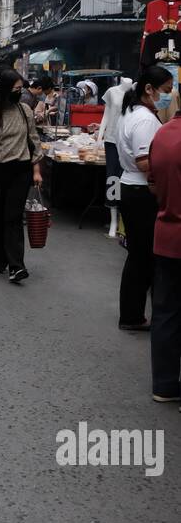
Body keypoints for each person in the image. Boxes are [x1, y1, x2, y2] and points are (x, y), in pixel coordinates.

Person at [0, 69, 44, 282]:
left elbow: (34, 140)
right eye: (16, 89)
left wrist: (37, 170)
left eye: (21, 89)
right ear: (4, 89)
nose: (20, 93)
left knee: (12, 217)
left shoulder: (25, 111)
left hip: (20, 171)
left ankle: (16, 266)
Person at [115, 66, 173, 332]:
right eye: (166, 91)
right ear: (149, 89)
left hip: (132, 188)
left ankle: (132, 313)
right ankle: (132, 315)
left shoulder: (133, 113)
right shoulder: (145, 120)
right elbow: (144, 162)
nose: (168, 97)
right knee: (143, 257)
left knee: (138, 255)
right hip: (141, 192)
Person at [148, 98, 181, 401]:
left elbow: (154, 184)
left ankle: (165, 385)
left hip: (166, 233)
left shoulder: (162, 133)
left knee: (167, 312)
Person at [98, 77, 133, 239]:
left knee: (125, 176)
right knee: (113, 179)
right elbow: (106, 115)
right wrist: (100, 136)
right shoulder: (112, 92)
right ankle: (113, 220)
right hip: (111, 140)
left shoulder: (134, 92)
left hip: (128, 139)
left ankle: (123, 219)